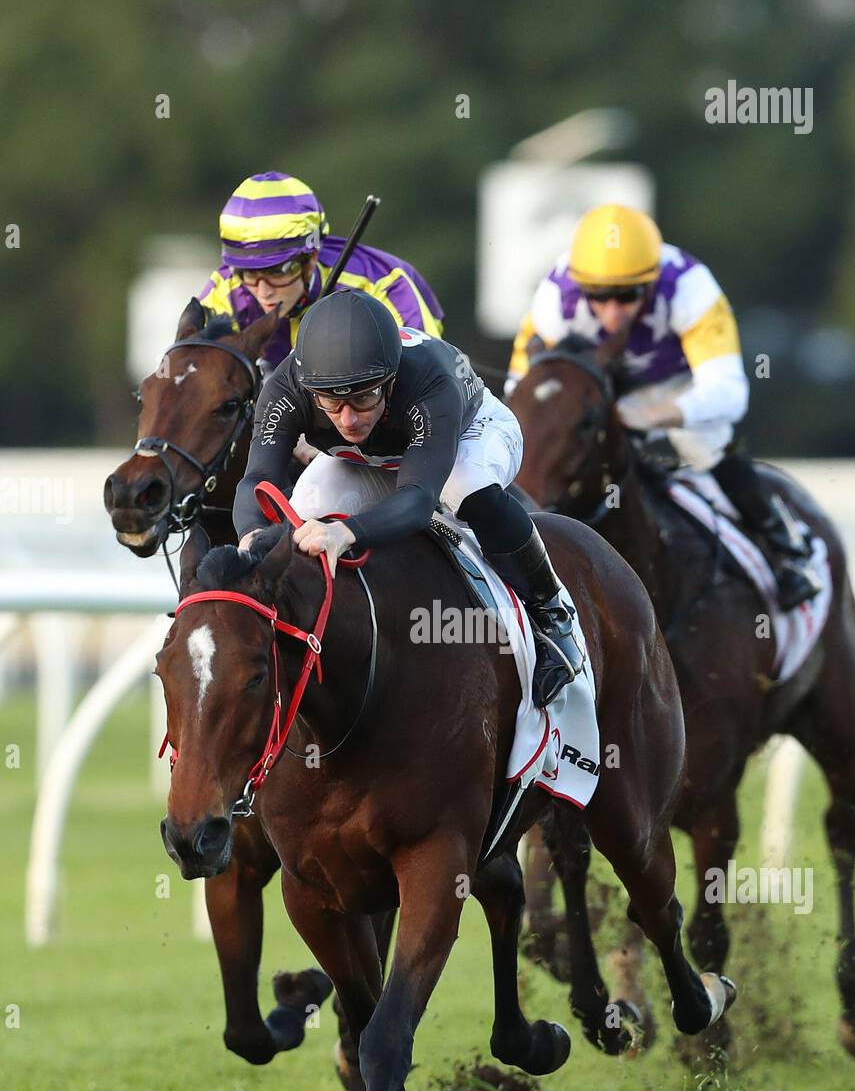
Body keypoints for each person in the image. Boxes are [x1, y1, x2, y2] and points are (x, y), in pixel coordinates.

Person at [234, 290, 584, 706]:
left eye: (364, 397)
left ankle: (552, 612)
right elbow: (257, 478)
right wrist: (252, 535)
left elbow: (418, 500)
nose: (347, 419)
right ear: (310, 388)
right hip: (372, 458)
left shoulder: (429, 378)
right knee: (306, 504)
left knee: (464, 486)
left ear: (391, 380)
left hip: (469, 433)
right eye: (331, 401)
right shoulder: (287, 387)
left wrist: (347, 532)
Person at [507, 203, 820, 610]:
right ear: (581, 286)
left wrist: (652, 416)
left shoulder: (690, 288)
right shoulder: (554, 298)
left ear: (651, 283)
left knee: (703, 442)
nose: (612, 312)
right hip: (603, 385)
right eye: (599, 297)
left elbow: (729, 392)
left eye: (627, 296)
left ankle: (786, 548)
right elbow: (524, 389)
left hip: (676, 382)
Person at [197, 171, 444, 373]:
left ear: (311, 257)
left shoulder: (381, 284)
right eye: (248, 272)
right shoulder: (225, 290)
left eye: (279, 271)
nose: (263, 291)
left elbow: (429, 378)